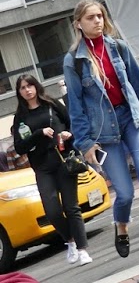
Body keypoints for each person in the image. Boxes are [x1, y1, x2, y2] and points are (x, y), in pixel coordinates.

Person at [63, 0, 139, 260]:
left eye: (100, 16)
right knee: (124, 193)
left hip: (132, 119)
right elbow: (75, 106)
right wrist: (85, 142)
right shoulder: (73, 61)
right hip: (104, 131)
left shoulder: (118, 47)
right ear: (78, 24)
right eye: (91, 17)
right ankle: (122, 226)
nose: (98, 21)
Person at [9, 77, 91, 267]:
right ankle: (70, 240)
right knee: (52, 211)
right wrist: (39, 134)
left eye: (30, 85)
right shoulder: (20, 116)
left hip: (63, 160)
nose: (27, 90)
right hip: (42, 167)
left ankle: (82, 249)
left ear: (36, 86)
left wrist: (69, 134)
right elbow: (20, 147)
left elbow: (72, 124)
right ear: (19, 92)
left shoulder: (52, 104)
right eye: (23, 88)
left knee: (71, 207)